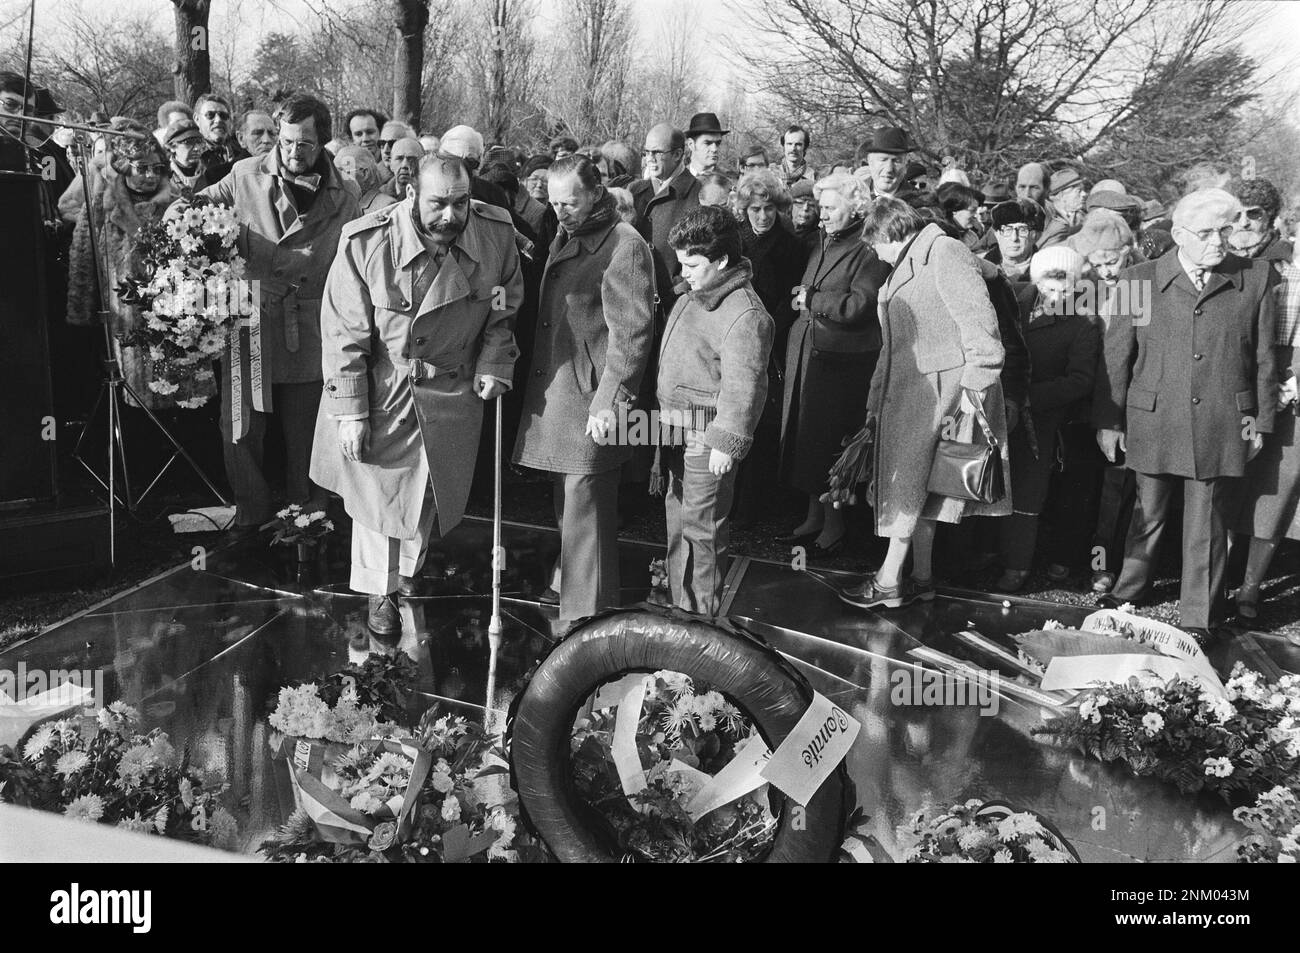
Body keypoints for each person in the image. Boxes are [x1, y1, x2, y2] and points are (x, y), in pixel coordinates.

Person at [311, 154, 521, 635]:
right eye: (438, 204)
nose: (450, 216)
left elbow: (504, 304)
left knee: (428, 489)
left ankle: (408, 571)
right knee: (377, 495)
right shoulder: (365, 241)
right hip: (386, 388)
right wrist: (351, 411)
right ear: (411, 194)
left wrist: (495, 360)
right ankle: (377, 590)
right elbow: (342, 331)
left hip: (452, 389)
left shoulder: (496, 234)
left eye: (460, 203)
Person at [1093, 188, 1276, 642]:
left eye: (1225, 231)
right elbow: (1115, 357)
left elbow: (1266, 358)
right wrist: (1108, 420)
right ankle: (1128, 589)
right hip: (1153, 418)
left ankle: (1199, 614)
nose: (1219, 241)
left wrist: (1261, 422)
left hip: (1221, 420)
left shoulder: (1255, 277)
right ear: (1178, 234)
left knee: (1208, 521)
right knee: (1146, 512)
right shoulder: (1138, 279)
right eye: (1207, 232)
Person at [184, 93, 362, 542]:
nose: (291, 152)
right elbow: (185, 216)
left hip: (313, 325)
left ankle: (307, 519)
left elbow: (357, 259)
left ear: (323, 140)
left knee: (307, 434)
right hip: (249, 320)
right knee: (240, 431)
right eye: (284, 141)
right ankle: (251, 515)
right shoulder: (243, 175)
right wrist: (219, 278)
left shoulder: (347, 193)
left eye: (303, 143)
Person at [837, 199, 1009, 609]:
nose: (875, 255)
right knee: (924, 493)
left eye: (875, 246)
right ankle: (921, 576)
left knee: (910, 491)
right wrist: (875, 399)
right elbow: (891, 348)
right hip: (921, 394)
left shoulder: (944, 251)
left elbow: (980, 323)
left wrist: (976, 386)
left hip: (946, 395)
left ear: (889, 234)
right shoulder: (918, 258)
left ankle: (888, 580)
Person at [512, 154, 656, 629]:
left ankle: (586, 621)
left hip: (591, 401)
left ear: (597, 193)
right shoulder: (571, 232)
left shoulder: (623, 245)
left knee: (587, 511)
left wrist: (611, 403)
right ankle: (568, 586)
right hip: (566, 396)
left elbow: (632, 333)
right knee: (571, 505)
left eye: (569, 202)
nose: (560, 212)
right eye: (553, 203)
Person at [658, 206, 774, 615]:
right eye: (681, 262)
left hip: (707, 437)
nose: (683, 271)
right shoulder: (698, 295)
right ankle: (680, 607)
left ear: (721, 261)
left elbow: (745, 387)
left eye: (692, 263)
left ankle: (700, 624)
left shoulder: (745, 313)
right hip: (676, 429)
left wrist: (726, 443)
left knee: (702, 531)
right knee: (679, 525)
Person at [779, 172, 891, 555]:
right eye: (819, 208)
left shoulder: (868, 248)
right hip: (810, 356)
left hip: (841, 366)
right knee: (807, 442)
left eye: (828, 208)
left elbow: (859, 305)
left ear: (854, 207)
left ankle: (835, 524)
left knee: (829, 447)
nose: (820, 215)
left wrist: (814, 302)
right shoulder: (824, 241)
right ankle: (814, 516)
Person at [995, 247, 1100, 592]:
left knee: (1027, 490)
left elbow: (1081, 379)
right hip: (996, 403)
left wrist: (1030, 397)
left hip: (1039, 417)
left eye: (1065, 289)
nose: (1057, 296)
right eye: (1049, 287)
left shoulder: (1083, 322)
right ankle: (981, 551)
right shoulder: (1012, 299)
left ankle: (1017, 565)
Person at [732, 169, 810, 523]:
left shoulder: (792, 245)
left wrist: (771, 325)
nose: (762, 216)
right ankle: (731, 498)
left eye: (768, 209)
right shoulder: (735, 239)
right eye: (755, 209)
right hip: (735, 335)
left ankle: (755, 503)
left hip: (774, 340)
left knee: (763, 420)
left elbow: (797, 296)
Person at [629, 123, 701, 304]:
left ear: (678, 155)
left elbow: (705, 257)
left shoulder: (698, 194)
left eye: (657, 153)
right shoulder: (635, 191)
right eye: (646, 152)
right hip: (635, 301)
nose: (649, 159)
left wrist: (677, 292)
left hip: (674, 305)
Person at [984, 198, 1043, 281]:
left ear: (1035, 236)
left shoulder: (1049, 269)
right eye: (1007, 230)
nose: (1014, 238)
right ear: (997, 234)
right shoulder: (981, 268)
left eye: (1022, 230)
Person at [333, 144, 396, 214]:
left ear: (365, 174)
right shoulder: (342, 206)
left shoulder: (386, 206)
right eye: (335, 173)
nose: (335, 179)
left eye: (341, 172)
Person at [162, 118, 216, 198]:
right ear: (172, 147)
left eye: (199, 141)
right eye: (188, 142)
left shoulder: (211, 169)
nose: (197, 148)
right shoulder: (164, 177)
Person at [1039, 167, 1086, 248]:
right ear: (1061, 195)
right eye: (1079, 191)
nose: (1084, 194)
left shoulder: (1084, 216)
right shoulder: (1045, 220)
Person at [859, 126, 910, 198]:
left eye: (897, 161)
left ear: (906, 166)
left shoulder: (923, 205)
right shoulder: (852, 197)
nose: (889, 169)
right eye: (882, 160)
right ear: (870, 161)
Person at [936, 181, 984, 248]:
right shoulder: (941, 238)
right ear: (954, 210)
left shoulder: (971, 236)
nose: (976, 215)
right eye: (972, 210)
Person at [685, 112, 728, 178]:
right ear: (691, 144)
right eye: (707, 143)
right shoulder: (674, 181)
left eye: (718, 143)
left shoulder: (727, 183)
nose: (714, 149)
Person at [789, 179, 819, 247]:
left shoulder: (819, 239)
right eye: (799, 203)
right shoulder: (780, 230)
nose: (805, 208)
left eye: (811, 205)